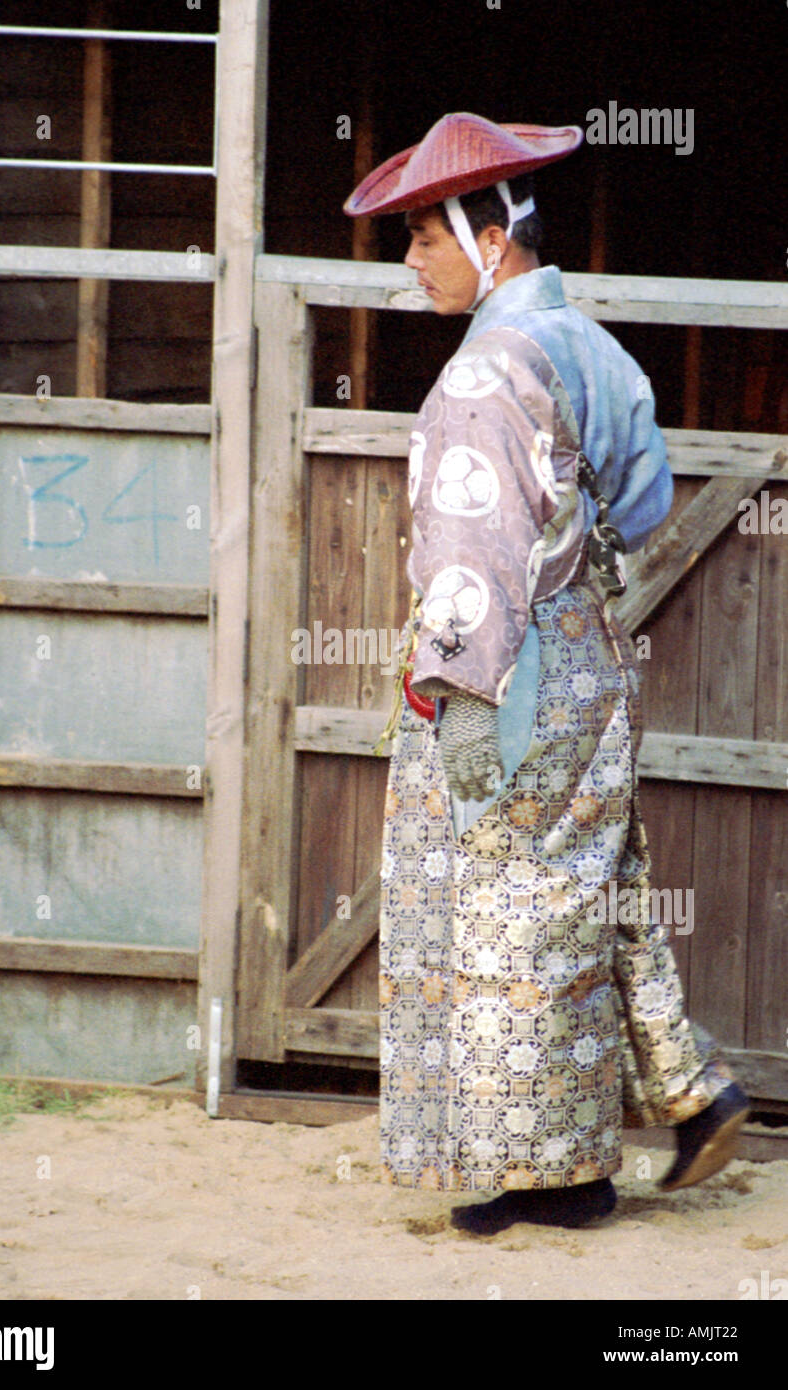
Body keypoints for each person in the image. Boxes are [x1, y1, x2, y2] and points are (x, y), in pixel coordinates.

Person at [344, 112, 750, 1235]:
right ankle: (693, 1086)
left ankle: (556, 1176)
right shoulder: (586, 343)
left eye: (424, 235)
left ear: (489, 233)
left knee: (510, 918)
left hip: (505, 669)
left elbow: (470, 567)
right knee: (587, 886)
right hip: (588, 655)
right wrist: (570, 553)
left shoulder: (485, 372)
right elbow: (651, 499)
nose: (412, 259)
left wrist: (454, 695)